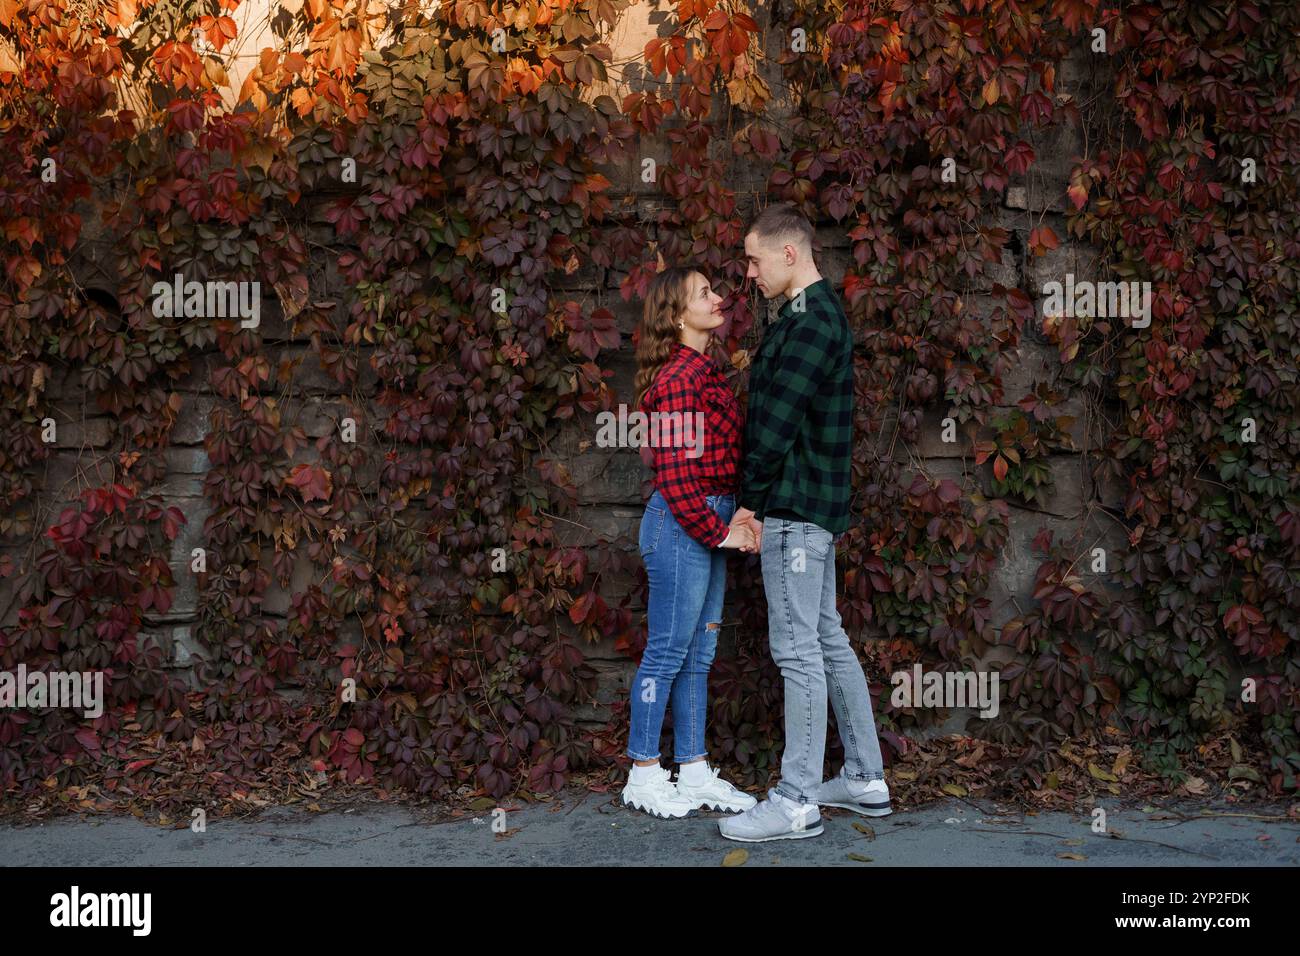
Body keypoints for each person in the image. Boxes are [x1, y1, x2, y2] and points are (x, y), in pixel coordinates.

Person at [720, 203, 891, 843]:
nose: (748, 272)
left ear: (790, 253)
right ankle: (865, 777)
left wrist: (751, 502)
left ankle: (796, 799)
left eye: (754, 259)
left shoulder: (813, 321)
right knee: (826, 637)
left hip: (792, 509)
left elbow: (774, 425)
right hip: (805, 508)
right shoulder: (805, 317)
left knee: (797, 650)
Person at [621, 264, 760, 820]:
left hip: (708, 521)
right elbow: (676, 477)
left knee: (699, 654)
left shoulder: (704, 370)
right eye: (705, 293)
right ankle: (644, 773)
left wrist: (732, 521)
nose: (719, 298)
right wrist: (720, 532)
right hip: (682, 526)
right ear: (678, 316)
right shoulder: (678, 379)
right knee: (667, 653)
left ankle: (694, 769)